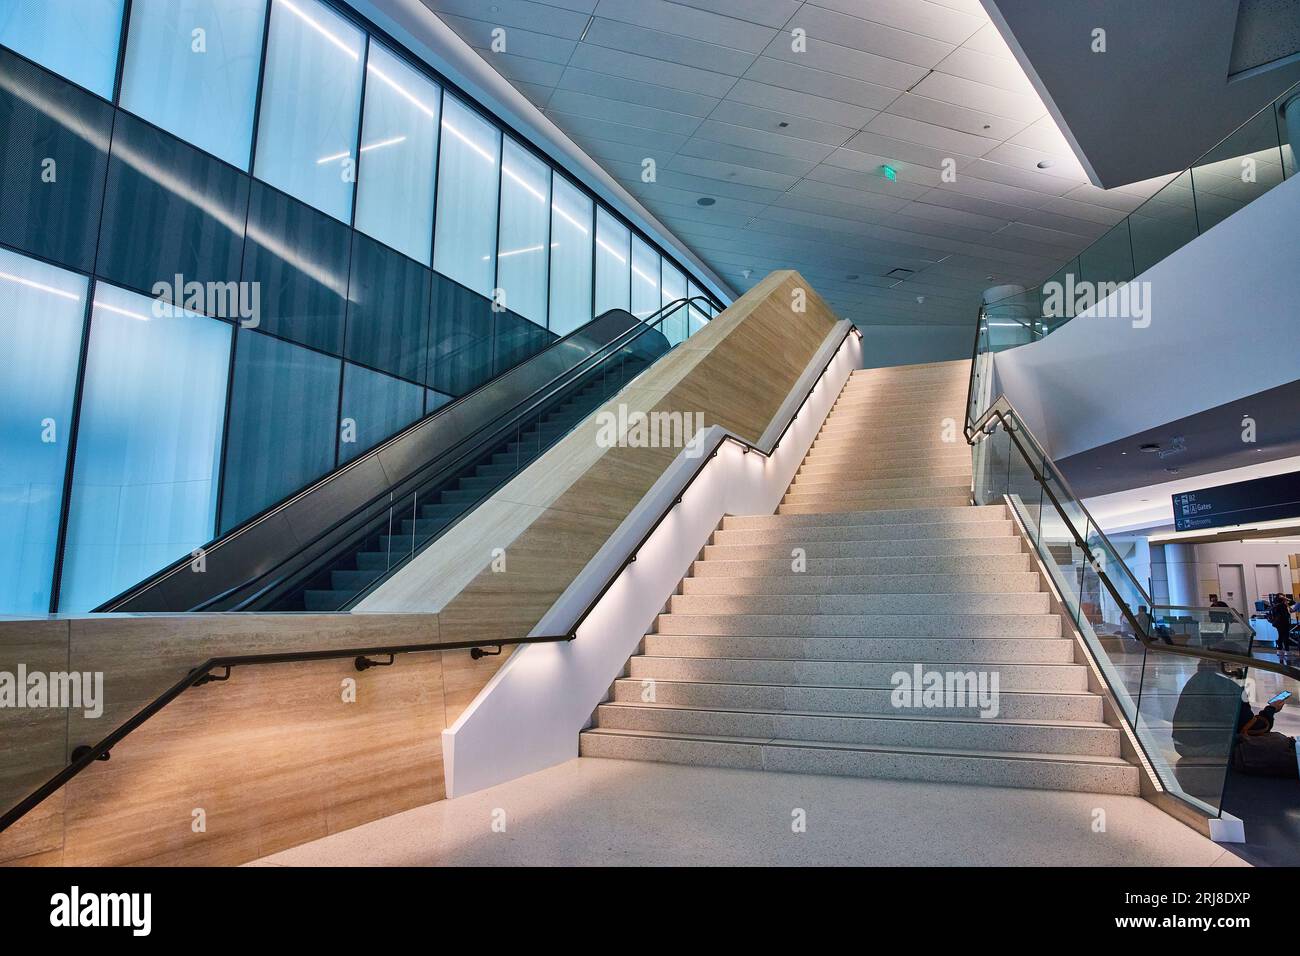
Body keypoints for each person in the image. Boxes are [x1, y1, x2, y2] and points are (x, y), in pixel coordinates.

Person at [1233, 696, 1299, 780]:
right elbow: (1254, 728)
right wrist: (1271, 709)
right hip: (1239, 752)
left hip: (1230, 747)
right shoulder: (1232, 692)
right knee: (1281, 745)